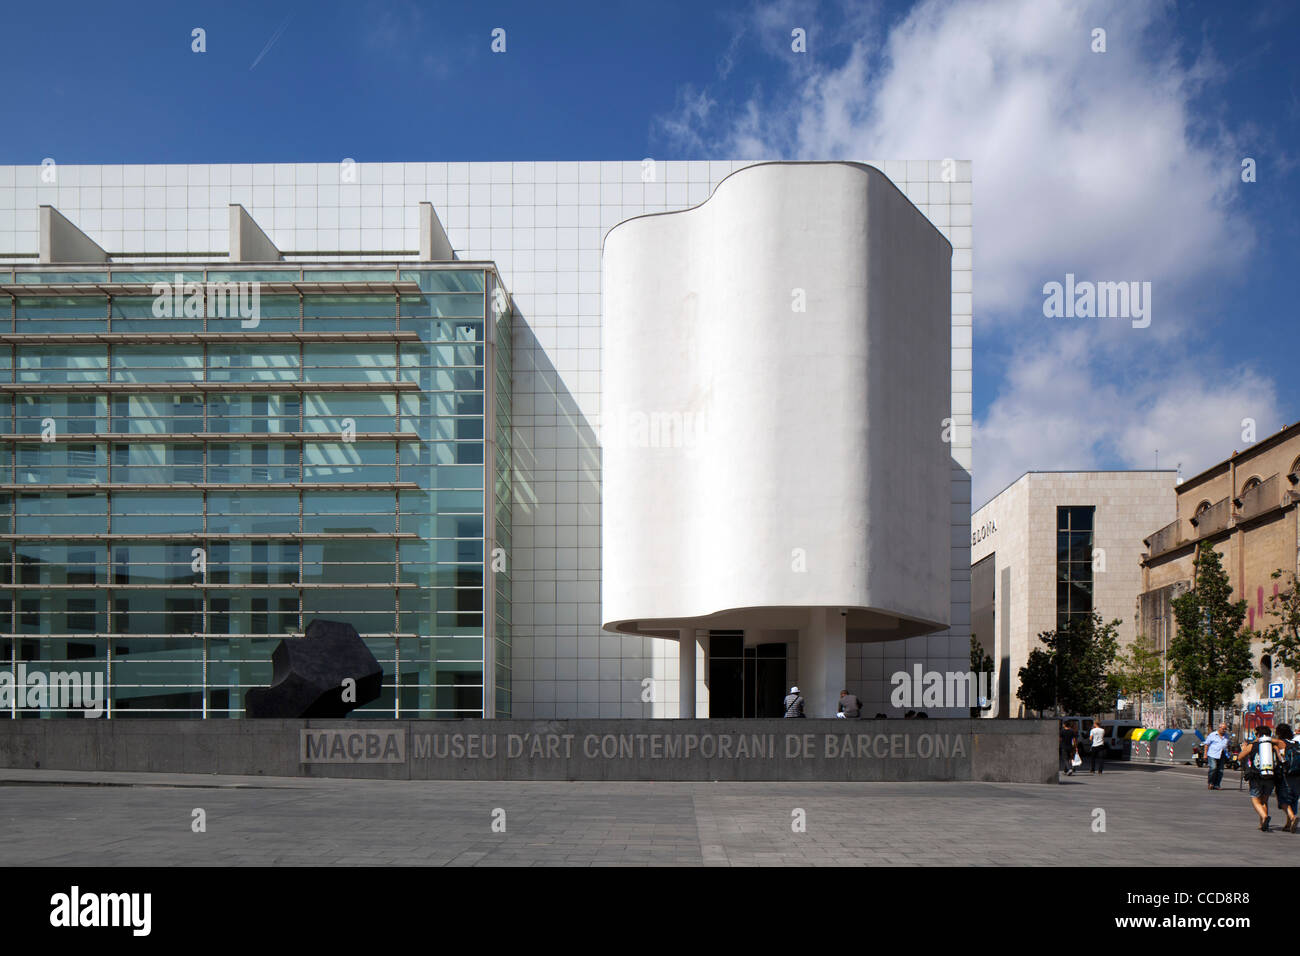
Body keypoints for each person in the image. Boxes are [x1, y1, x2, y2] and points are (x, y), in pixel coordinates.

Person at [1239, 725, 1283, 832]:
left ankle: (1264, 817)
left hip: (1256, 776)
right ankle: (1263, 823)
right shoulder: (1274, 746)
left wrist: (1245, 748)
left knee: (1255, 798)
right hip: (1271, 776)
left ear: (1257, 734)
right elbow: (1280, 758)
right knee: (1264, 800)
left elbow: (1240, 757)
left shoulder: (1252, 745)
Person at [1273, 722, 1300, 833]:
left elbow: (1266, 740)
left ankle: (1292, 817)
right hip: (1297, 774)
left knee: (1283, 799)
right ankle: (1288, 823)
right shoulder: (1296, 742)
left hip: (1285, 775)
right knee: (1294, 798)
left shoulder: (1280, 742)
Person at [1204, 722, 1230, 790]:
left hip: (1222, 754)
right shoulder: (1212, 735)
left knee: (1220, 770)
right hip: (1212, 754)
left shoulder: (1226, 736)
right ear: (1219, 728)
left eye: (1225, 729)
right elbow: (1206, 744)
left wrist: (1228, 753)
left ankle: (1217, 784)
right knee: (1213, 768)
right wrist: (1205, 754)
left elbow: (1228, 745)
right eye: (1223, 729)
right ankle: (1210, 783)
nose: (1224, 730)